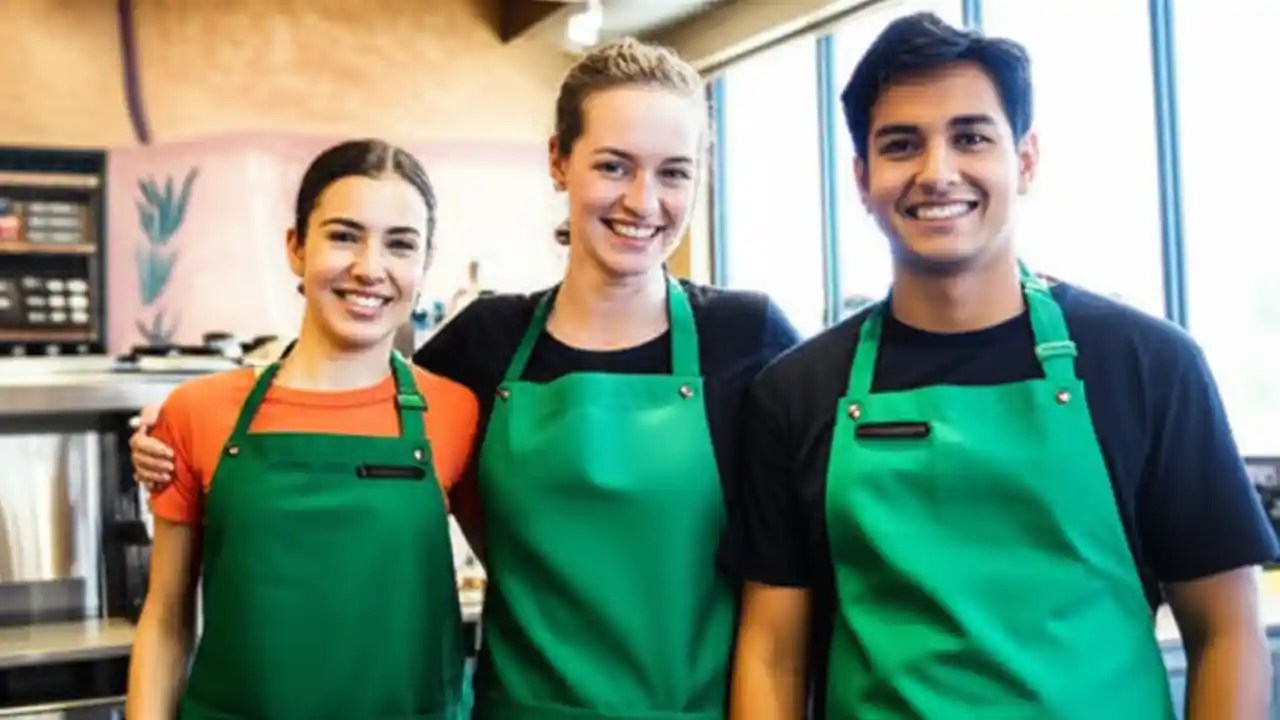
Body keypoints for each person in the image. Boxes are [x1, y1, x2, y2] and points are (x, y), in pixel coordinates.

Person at [129, 38, 800, 719]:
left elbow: (809, 553)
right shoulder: (484, 345)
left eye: (674, 172)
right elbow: (346, 394)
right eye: (613, 165)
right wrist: (173, 426)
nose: (642, 199)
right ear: (558, 162)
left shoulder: (749, 339)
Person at [725, 13, 1278, 720]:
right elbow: (773, 654)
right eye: (901, 145)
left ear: (1025, 159)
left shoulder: (1147, 364)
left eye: (971, 137)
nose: (937, 172)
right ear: (862, 179)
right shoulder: (796, 393)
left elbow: (1226, 630)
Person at [125, 139, 477, 720]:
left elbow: (529, 584)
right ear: (296, 247)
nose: (370, 267)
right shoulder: (196, 412)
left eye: (400, 244)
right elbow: (165, 620)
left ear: (424, 263)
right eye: (344, 235)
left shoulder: (458, 412)